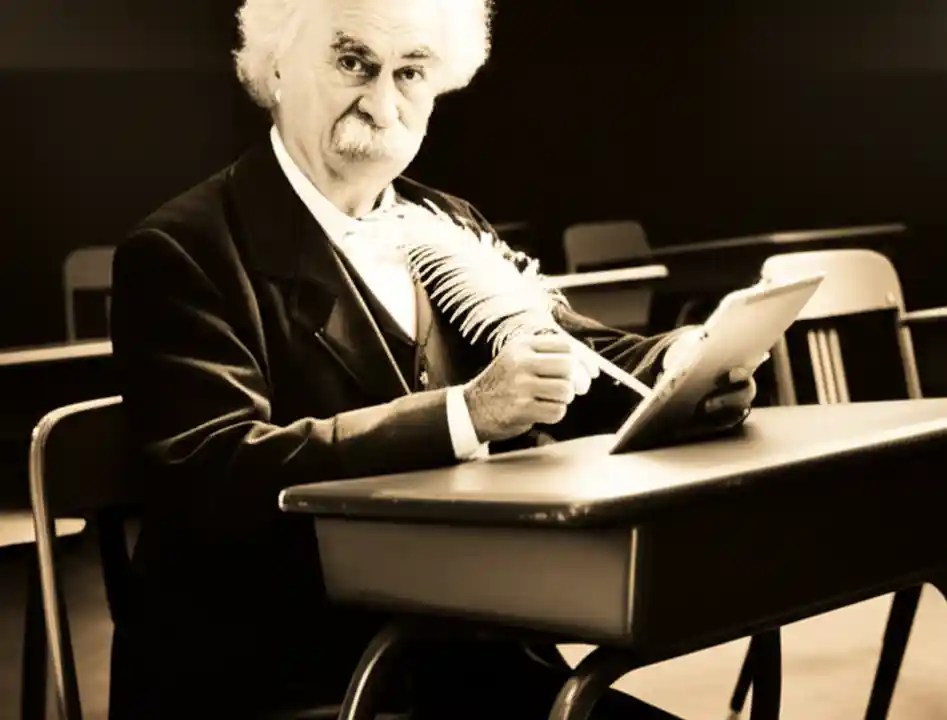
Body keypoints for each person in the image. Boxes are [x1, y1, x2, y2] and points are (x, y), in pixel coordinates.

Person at [107, 0, 759, 716]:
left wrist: (682, 363)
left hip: (472, 662)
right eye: (353, 62)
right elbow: (215, 472)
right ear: (278, 65)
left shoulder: (445, 220)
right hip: (291, 683)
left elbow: (575, 351)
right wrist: (467, 413)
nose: (383, 101)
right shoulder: (179, 252)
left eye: (411, 70)